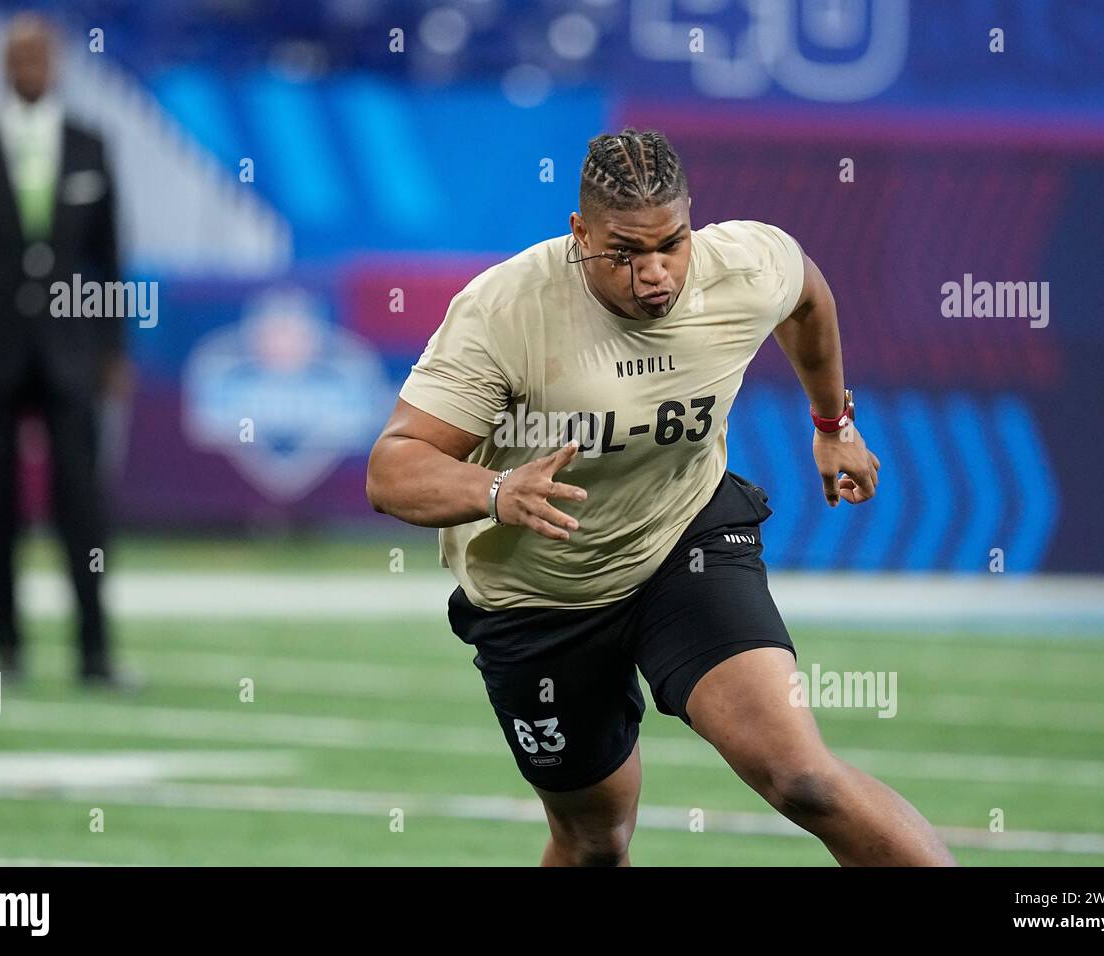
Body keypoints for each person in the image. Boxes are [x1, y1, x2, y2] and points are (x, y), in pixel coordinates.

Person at [366, 127, 955, 865]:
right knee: (593, 844)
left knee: (803, 777)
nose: (654, 275)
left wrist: (834, 423)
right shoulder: (503, 311)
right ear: (579, 233)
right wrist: (494, 490)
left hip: (683, 544)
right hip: (538, 596)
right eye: (624, 252)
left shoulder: (740, 265)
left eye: (669, 245)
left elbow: (808, 296)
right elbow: (391, 469)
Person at [0, 13, 134, 688]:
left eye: (41, 56)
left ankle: (94, 652)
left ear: (59, 64)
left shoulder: (89, 145)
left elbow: (109, 259)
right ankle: (5, 651)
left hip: (69, 355)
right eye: (20, 57)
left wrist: (111, 348)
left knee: (84, 508)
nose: (31, 68)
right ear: (2, 65)